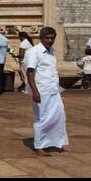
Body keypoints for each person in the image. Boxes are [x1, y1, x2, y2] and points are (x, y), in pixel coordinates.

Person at [25, 26, 68, 155]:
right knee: (42, 118)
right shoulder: (34, 51)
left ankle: (51, 142)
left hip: (53, 89)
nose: (49, 40)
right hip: (41, 90)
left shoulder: (51, 51)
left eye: (52, 38)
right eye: (47, 38)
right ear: (41, 38)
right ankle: (39, 146)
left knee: (58, 116)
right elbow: (30, 72)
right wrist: (35, 91)